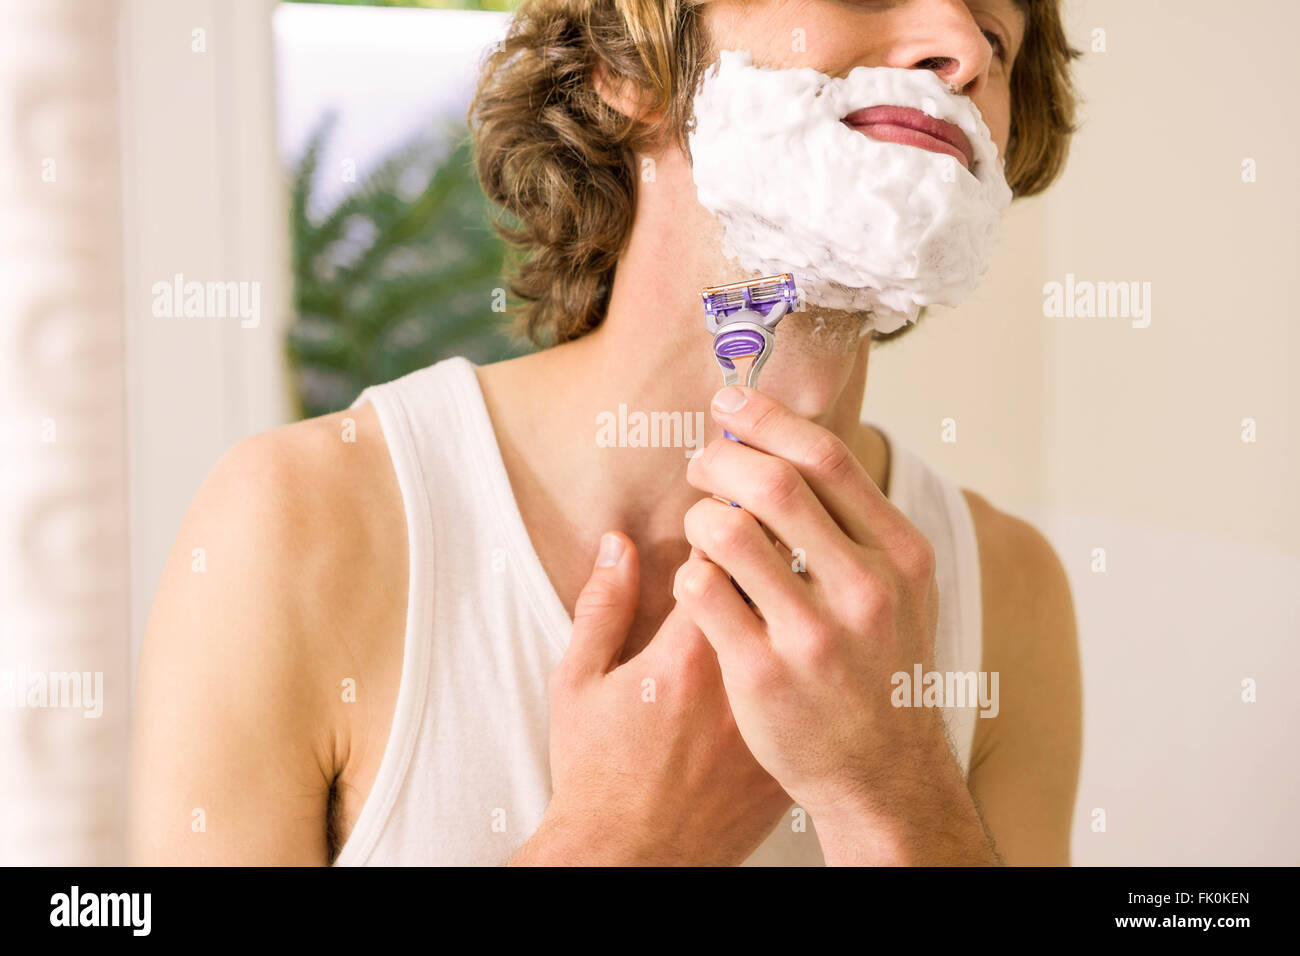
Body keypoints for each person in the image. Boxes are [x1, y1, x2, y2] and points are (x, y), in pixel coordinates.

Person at [131, 0, 1082, 866]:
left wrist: (895, 795)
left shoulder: (1004, 589)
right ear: (626, 66)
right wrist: (623, 835)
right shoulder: (300, 524)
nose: (963, 50)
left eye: (997, 36)